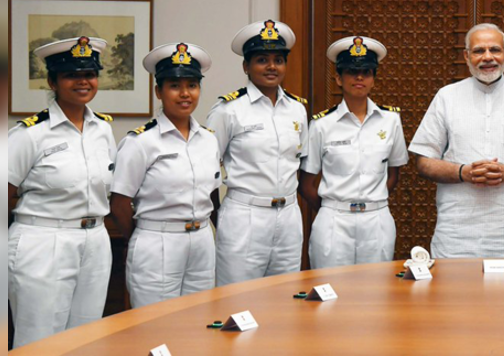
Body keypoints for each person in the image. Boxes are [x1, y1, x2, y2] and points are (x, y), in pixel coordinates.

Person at [409, 23, 504, 259]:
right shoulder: (446, 97)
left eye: (495, 50)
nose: (488, 57)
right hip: (457, 232)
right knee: (456, 295)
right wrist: (463, 172)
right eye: (479, 51)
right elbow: (423, 161)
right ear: (466, 56)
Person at [7, 36, 115, 347]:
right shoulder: (29, 135)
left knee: (86, 337)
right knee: (39, 339)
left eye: (90, 74)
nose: (83, 81)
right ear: (53, 81)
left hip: (95, 241)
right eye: (71, 75)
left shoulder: (102, 129)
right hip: (43, 241)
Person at [110, 42, 220, 309]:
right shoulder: (141, 142)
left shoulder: (208, 139)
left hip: (202, 241)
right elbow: (119, 203)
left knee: (198, 323)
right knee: (155, 327)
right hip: (157, 242)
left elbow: (213, 193)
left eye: (192, 85)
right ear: (158, 91)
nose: (185, 93)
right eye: (174, 86)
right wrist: (145, 236)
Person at [206, 19, 308, 286]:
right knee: (237, 300)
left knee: (284, 301)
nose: (272, 66)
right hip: (244, 216)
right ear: (246, 67)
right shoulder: (228, 110)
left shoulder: (297, 109)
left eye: (278, 60)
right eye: (262, 59)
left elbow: (300, 163)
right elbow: (207, 170)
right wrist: (219, 217)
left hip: (288, 216)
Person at [300, 36, 408, 268]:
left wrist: (371, 199)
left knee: (375, 293)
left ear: (373, 79)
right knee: (330, 291)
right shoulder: (321, 125)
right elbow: (307, 183)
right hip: (334, 220)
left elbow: (393, 174)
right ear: (338, 78)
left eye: (367, 72)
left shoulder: (390, 121)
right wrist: (333, 208)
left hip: (376, 218)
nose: (359, 77)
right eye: (351, 71)